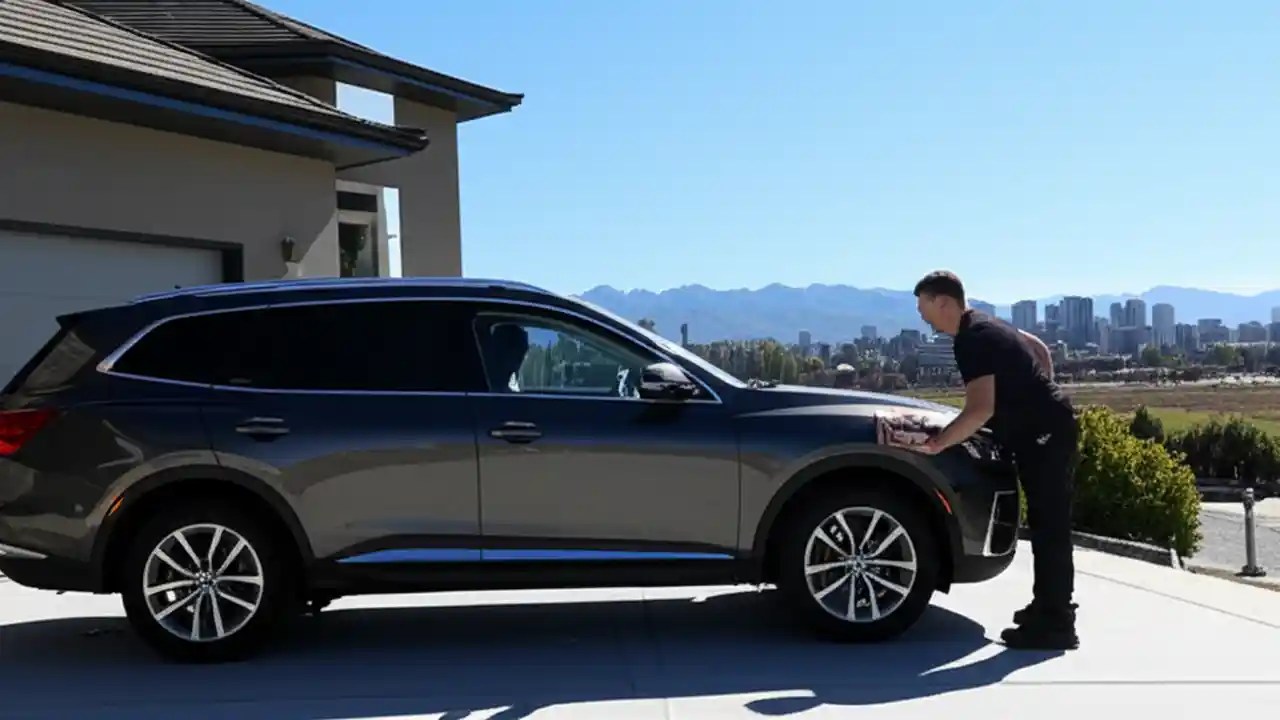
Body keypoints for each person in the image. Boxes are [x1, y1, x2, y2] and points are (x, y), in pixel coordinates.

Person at [910, 270, 1080, 651]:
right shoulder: (984, 324)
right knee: (1045, 524)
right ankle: (1048, 606)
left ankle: (1057, 623)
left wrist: (939, 443)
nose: (922, 317)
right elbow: (1037, 347)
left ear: (943, 302)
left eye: (924, 307)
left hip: (1046, 434)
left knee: (1050, 527)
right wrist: (1038, 389)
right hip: (1047, 426)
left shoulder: (972, 340)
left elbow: (979, 409)